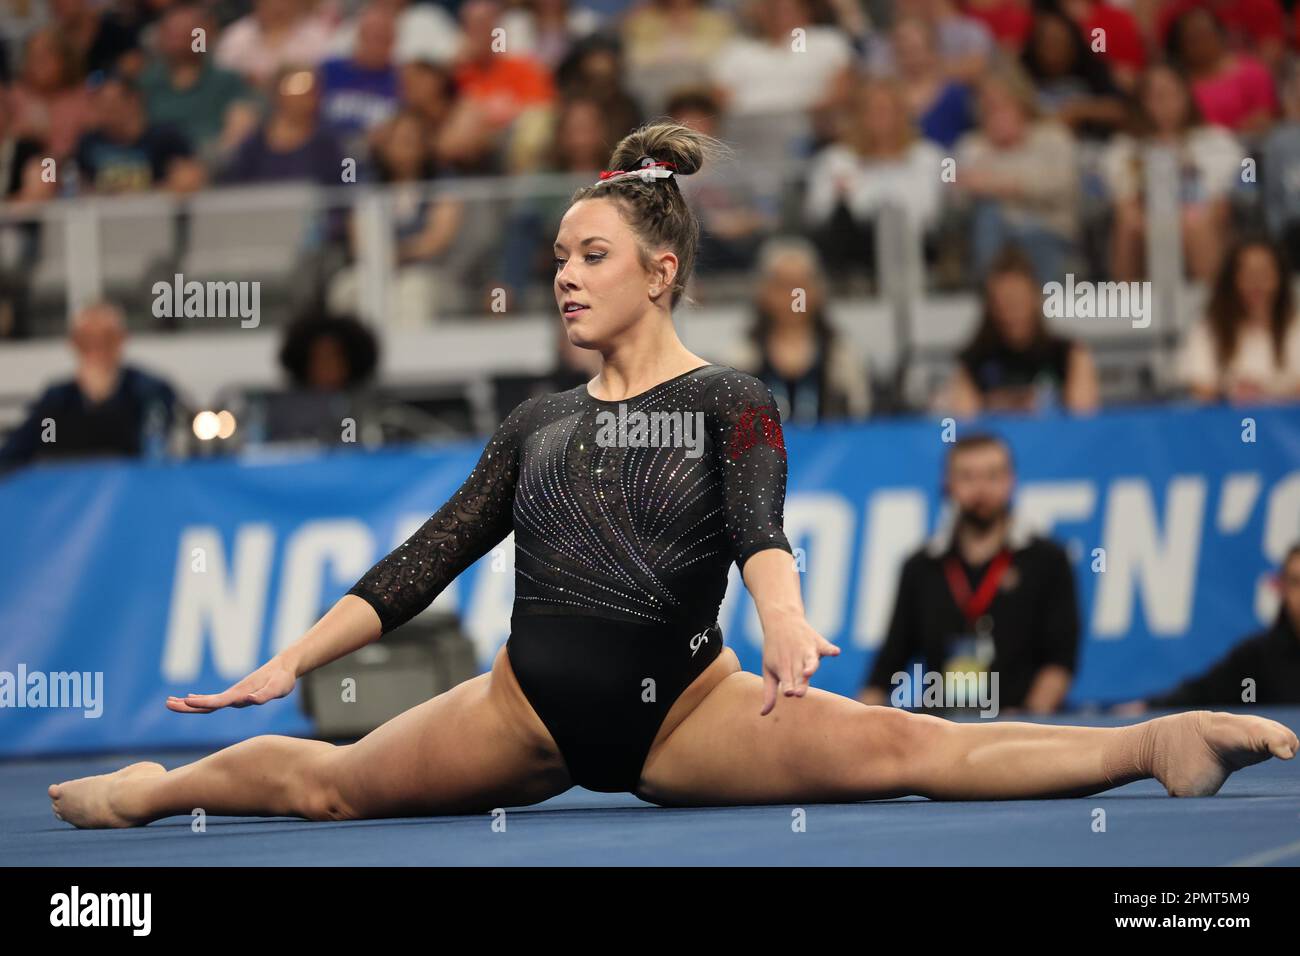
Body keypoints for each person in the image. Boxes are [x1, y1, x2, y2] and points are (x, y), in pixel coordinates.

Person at [47, 122, 1298, 829]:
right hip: (522, 708)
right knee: (321, 783)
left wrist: (785, 609)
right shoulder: (535, 422)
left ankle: (1158, 740)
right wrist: (291, 663)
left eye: (592, 253)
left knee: (920, 745)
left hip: (691, 715)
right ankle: (159, 791)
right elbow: (422, 561)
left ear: (660, 270)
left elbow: (760, 527)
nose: (564, 275)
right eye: (555, 257)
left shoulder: (730, 400)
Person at [858, 433, 1079, 713]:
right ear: (947, 484)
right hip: (943, 731)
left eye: (992, 476)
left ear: (1011, 481)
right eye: (967, 477)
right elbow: (888, 665)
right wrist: (859, 724)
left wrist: (1026, 725)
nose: (980, 489)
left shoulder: (1048, 560)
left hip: (1022, 729)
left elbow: (1059, 663)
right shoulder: (921, 567)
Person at [1114, 544, 1300, 713]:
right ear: (1282, 588)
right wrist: (1148, 707)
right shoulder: (1256, 656)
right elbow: (1203, 692)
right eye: (1296, 582)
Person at [0, 302, 180, 475]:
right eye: (86, 341)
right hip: (71, 497)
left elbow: (150, 453)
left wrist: (104, 404)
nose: (96, 349)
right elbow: (36, 447)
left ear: (121, 340)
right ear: (74, 344)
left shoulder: (150, 392)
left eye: (106, 339)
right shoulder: (56, 401)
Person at [940, 246, 1100, 416]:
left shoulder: (1069, 354)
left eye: (1017, 301)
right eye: (1002, 304)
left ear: (1035, 298)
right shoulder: (974, 360)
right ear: (990, 307)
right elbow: (965, 423)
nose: (1011, 313)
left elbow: (1084, 419)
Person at [1178, 235, 1300, 402]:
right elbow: (1201, 388)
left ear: (1279, 278)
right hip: (1228, 425)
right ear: (1232, 279)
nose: (1257, 283)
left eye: (1264, 273)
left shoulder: (1295, 326)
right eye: (1248, 274)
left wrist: (1262, 394)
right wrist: (1231, 393)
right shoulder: (1209, 330)